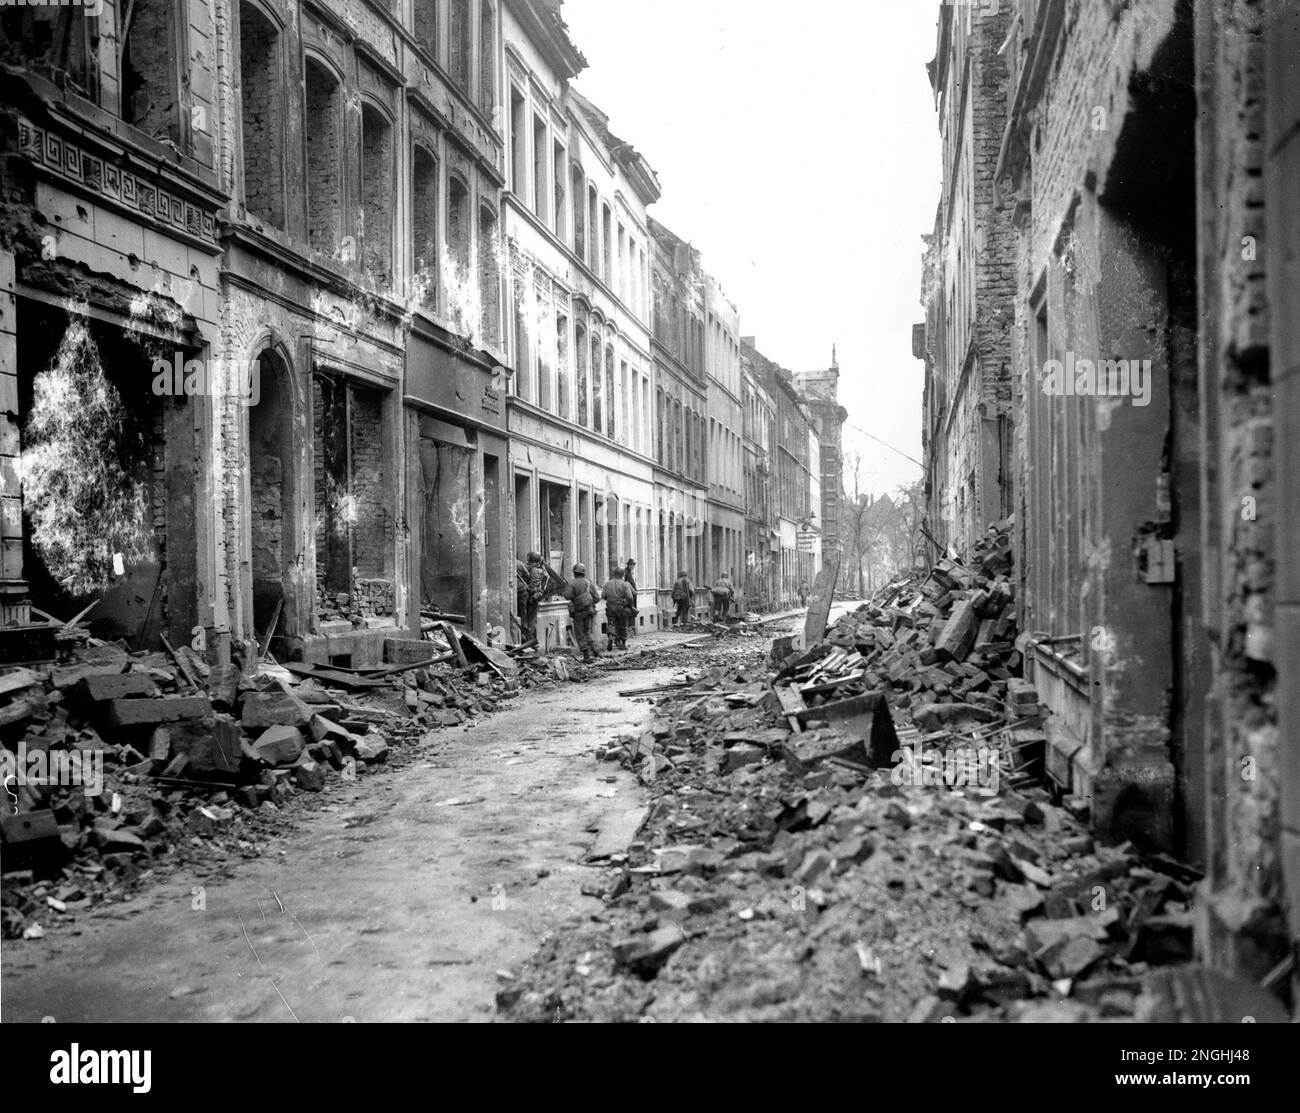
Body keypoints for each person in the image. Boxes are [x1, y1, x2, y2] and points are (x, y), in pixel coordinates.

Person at [563, 563, 600, 663]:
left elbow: (567, 595)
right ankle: (595, 649)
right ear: (584, 573)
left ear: (574, 573)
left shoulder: (572, 583)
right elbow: (596, 598)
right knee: (588, 631)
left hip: (578, 612)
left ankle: (586, 655)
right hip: (589, 611)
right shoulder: (589, 583)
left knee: (580, 633)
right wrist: (588, 601)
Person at [602, 567, 635, 650]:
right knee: (622, 625)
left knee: (611, 623)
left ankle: (610, 636)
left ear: (614, 574)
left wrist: (610, 600)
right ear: (622, 575)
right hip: (621, 607)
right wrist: (629, 604)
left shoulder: (607, 584)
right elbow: (630, 597)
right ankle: (623, 643)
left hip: (610, 606)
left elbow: (603, 595)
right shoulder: (624, 584)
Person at [522, 552, 548, 642]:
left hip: (529, 597)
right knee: (532, 620)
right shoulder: (541, 571)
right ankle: (530, 640)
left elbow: (531, 584)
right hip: (535, 597)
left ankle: (528, 640)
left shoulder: (531, 569)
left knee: (528, 620)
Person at [623, 558, 638, 638]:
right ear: (629, 565)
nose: (633, 567)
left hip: (631, 595)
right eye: (632, 565)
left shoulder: (629, 573)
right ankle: (629, 630)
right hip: (629, 596)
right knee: (630, 611)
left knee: (631, 611)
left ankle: (630, 630)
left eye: (633, 565)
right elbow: (627, 584)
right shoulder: (626, 573)